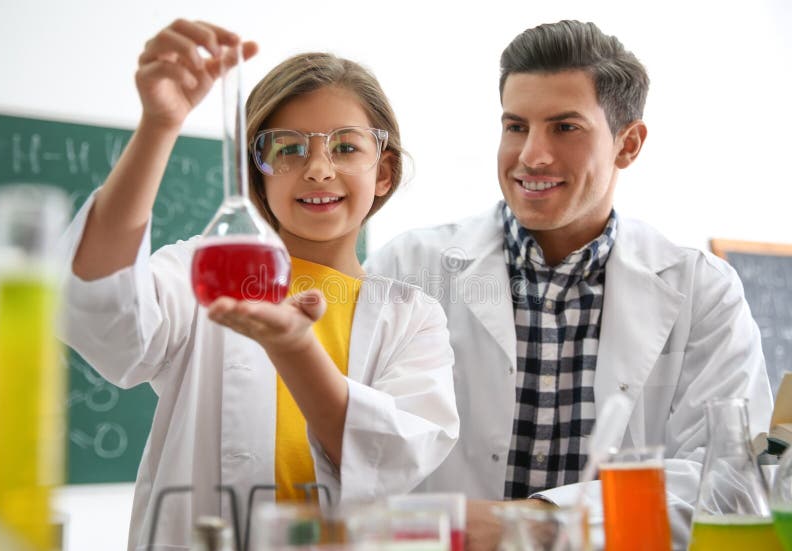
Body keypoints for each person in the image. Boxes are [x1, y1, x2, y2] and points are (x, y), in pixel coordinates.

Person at [364, 19, 773, 550]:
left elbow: (735, 484)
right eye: (516, 126)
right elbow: (350, 457)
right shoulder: (407, 267)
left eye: (565, 127)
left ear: (628, 144)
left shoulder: (703, 290)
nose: (531, 155)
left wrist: (538, 522)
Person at [60, 19, 459, 550]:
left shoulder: (412, 317)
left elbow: (389, 458)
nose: (317, 169)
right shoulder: (207, 272)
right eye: (288, 149)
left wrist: (294, 347)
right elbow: (102, 305)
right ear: (257, 173)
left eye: (345, 147)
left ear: (382, 172)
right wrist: (160, 123)